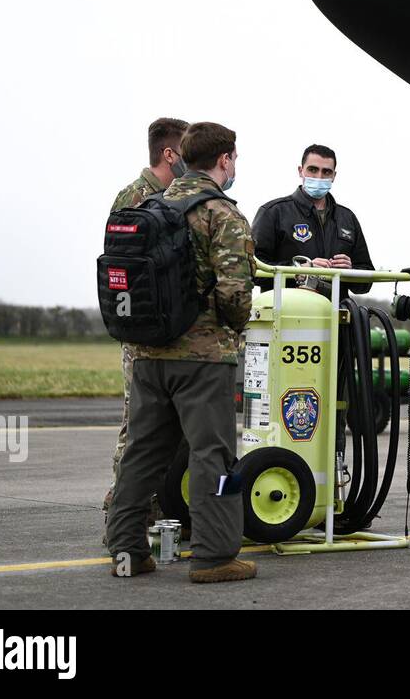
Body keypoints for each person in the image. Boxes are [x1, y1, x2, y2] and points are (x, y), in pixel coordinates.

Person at [106, 121, 258, 583]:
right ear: (225, 159)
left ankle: (127, 549)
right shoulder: (222, 213)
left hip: (148, 353)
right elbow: (235, 294)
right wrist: (232, 328)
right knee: (215, 457)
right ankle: (214, 556)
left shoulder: (149, 204)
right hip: (203, 360)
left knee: (143, 453)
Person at [102, 117, 188, 540]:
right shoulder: (139, 197)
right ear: (169, 153)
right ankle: (120, 518)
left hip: (162, 330)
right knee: (138, 428)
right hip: (143, 334)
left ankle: (150, 514)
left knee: (162, 431)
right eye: (188, 151)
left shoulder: (168, 196)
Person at [252, 144, 373, 294]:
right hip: (286, 311)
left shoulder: (347, 218)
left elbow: (365, 284)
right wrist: (298, 269)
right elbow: (251, 269)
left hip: (335, 312)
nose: (319, 177)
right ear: (300, 171)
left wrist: (351, 270)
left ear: (334, 176)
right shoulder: (273, 212)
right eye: (313, 170)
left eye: (326, 172)